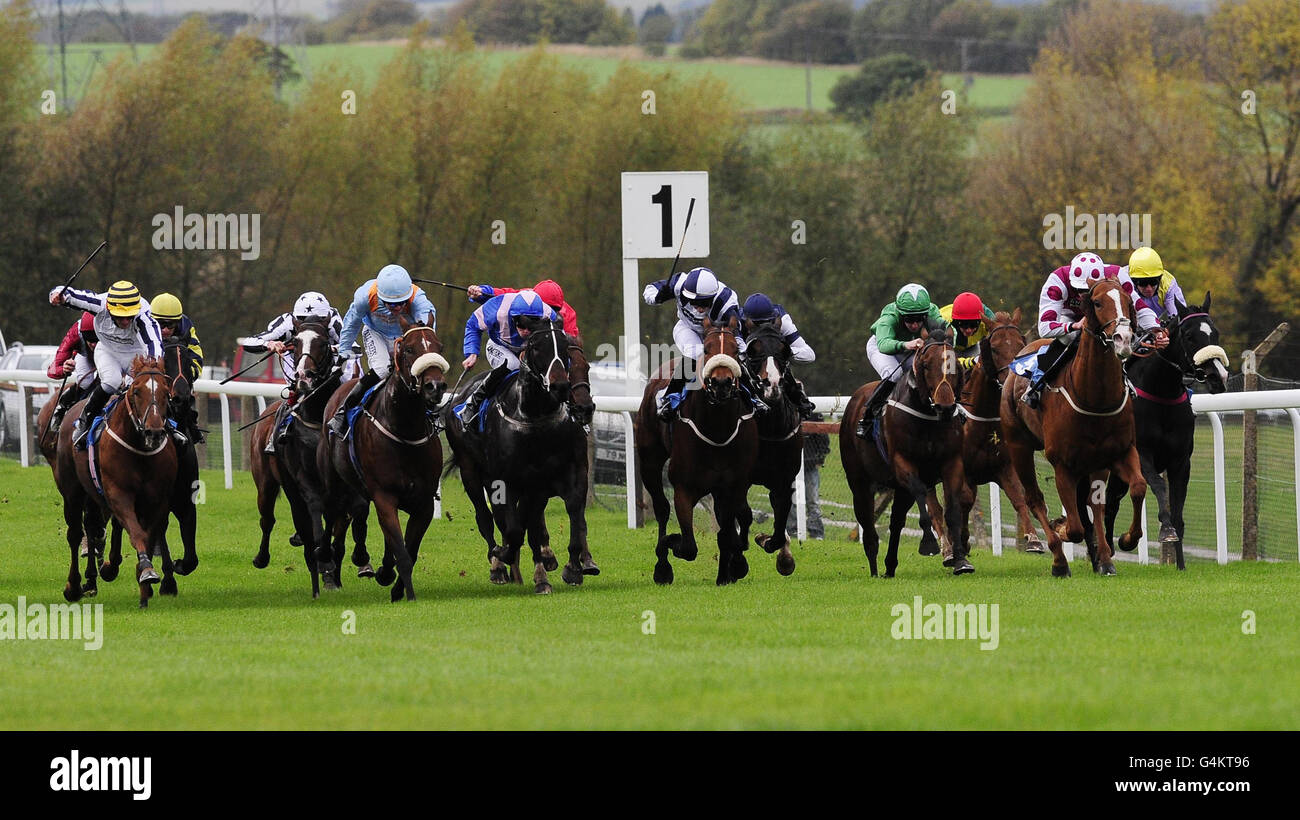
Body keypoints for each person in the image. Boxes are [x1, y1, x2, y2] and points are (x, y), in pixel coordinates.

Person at [1020, 252, 1166, 409]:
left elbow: (1140, 308)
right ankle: (1036, 384)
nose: (1084, 296)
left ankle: (1126, 381)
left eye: (1088, 290)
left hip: (1103, 319)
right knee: (1068, 338)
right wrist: (1073, 326)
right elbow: (1045, 327)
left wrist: (1157, 330)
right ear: (1071, 280)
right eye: (1080, 289)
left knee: (1123, 339)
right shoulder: (1056, 280)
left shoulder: (1118, 275)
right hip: (1070, 319)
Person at [47, 280, 167, 449]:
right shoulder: (100, 303)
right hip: (108, 351)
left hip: (136, 355)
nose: (125, 322)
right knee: (111, 382)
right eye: (120, 316)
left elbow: (154, 344)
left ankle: (168, 428)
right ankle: (84, 421)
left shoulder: (143, 316)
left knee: (147, 387)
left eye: (129, 316)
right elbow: (71, 295)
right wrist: (58, 295)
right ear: (110, 308)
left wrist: (152, 364)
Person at [328, 265, 437, 436]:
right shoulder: (365, 297)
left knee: (417, 372)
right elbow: (351, 324)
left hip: (405, 337)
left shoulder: (419, 300)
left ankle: (431, 414)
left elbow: (426, 333)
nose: (397, 308)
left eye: (401, 303)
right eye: (391, 304)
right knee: (382, 370)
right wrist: (343, 352)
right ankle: (343, 412)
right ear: (380, 296)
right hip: (375, 333)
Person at [242, 291, 353, 452]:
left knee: (349, 382)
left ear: (326, 318)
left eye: (320, 320)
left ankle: (351, 416)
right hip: (299, 358)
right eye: (301, 320)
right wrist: (270, 344)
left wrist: (331, 348)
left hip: (328, 358)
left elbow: (355, 348)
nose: (308, 323)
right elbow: (249, 342)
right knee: (295, 384)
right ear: (295, 319)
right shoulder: (286, 322)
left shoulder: (333, 320)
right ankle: (282, 426)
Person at [642, 266, 756, 422]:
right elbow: (649, 290)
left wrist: (741, 350)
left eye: (704, 302)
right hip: (686, 328)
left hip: (717, 334)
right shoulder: (679, 283)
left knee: (735, 355)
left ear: (713, 296)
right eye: (694, 301)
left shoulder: (726, 300)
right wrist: (656, 297)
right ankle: (669, 397)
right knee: (695, 352)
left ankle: (753, 397)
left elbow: (735, 332)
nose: (699, 307)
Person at [456, 289, 561, 426]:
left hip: (527, 349)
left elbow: (559, 343)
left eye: (532, 324)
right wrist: (472, 353)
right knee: (513, 364)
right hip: (499, 345)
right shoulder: (495, 310)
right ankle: (472, 404)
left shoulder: (548, 316)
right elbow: (472, 325)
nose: (526, 331)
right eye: (522, 324)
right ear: (513, 317)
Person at [856, 283, 945, 439]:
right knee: (894, 374)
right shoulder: (889, 316)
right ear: (900, 313)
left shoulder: (932, 311)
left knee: (930, 370)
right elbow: (883, 344)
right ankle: (868, 417)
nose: (915, 324)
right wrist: (905, 344)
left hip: (910, 347)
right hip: (882, 347)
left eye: (919, 319)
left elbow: (950, 333)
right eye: (909, 319)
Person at [741, 292, 817, 418]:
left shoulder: (784, 321)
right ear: (747, 322)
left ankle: (801, 403)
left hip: (776, 368)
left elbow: (809, 354)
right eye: (757, 324)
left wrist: (786, 351)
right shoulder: (737, 322)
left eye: (767, 323)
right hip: (748, 366)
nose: (763, 329)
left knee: (781, 366)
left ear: (774, 319)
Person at [151, 292, 206, 444]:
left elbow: (196, 357)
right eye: (161, 324)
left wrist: (185, 376)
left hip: (176, 378)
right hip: (149, 377)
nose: (166, 330)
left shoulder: (186, 326)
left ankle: (189, 428)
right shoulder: (143, 325)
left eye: (171, 325)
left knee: (184, 396)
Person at [467, 279, 580, 339]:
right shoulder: (526, 298)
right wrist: (481, 293)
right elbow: (502, 296)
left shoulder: (567, 315)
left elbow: (570, 345)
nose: (548, 312)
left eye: (553, 309)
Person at [45, 312, 98, 437]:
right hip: (85, 357)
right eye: (89, 339)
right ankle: (62, 407)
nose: (93, 344)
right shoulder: (74, 333)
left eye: (97, 339)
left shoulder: (112, 329)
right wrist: (64, 369)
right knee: (85, 381)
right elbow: (52, 370)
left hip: (109, 354)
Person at [786, 411, 830, 541]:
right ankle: (792, 529)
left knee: (813, 500)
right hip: (792, 466)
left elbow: (823, 438)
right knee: (793, 499)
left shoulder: (813, 415)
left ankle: (816, 531)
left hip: (810, 465)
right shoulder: (788, 414)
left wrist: (820, 458)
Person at [1123, 246, 1187, 323]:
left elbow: (1180, 318)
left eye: (1153, 282)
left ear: (1160, 279)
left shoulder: (1168, 285)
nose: (1149, 289)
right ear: (1133, 281)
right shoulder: (1122, 280)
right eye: (1143, 283)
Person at [939, 291, 998, 371]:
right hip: (948, 349)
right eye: (964, 325)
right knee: (950, 370)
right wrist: (970, 362)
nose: (969, 330)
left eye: (973, 325)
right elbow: (946, 358)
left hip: (972, 348)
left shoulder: (985, 322)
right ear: (956, 322)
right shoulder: (944, 323)